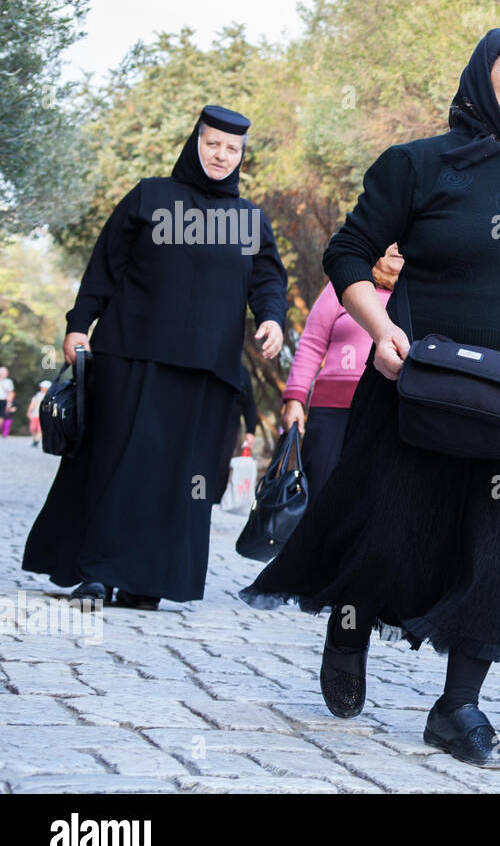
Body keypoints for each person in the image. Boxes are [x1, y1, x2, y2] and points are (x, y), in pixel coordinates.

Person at [239, 28, 500, 770]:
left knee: (496, 550)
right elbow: (347, 251)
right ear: (482, 77)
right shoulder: (418, 164)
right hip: (413, 387)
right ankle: (349, 626)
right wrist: (381, 329)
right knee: (389, 531)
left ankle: (458, 706)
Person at [22, 105, 288, 609]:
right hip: (130, 356)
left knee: (179, 481)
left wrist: (272, 318)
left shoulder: (249, 219)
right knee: (115, 464)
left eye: (232, 149)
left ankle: (147, 583)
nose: (221, 155)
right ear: (195, 143)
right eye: (213, 143)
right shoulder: (149, 196)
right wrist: (79, 323)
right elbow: (105, 265)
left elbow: (268, 279)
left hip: (206, 372)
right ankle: (96, 572)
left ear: (241, 156)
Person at [279, 244, 400, 490]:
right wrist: (294, 400)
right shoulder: (347, 285)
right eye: (392, 239)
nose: (398, 246)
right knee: (320, 490)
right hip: (332, 412)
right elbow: (312, 343)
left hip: (388, 411)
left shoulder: (417, 295)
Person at [27, 381, 51, 447]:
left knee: (40, 429)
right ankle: (35, 439)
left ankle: (36, 441)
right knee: (32, 429)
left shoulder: (49, 396)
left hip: (44, 415)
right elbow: (33, 403)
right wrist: (29, 411)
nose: (43, 389)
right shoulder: (37, 395)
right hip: (35, 414)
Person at [0, 366, 14, 437]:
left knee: (1, 416)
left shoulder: (8, 382)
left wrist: (9, 403)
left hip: (3, 401)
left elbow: (10, 393)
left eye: (4, 372)